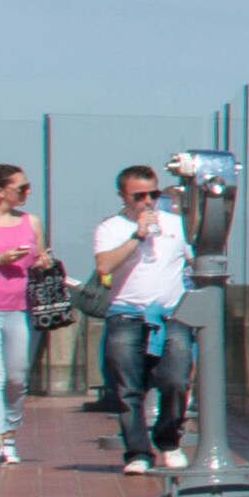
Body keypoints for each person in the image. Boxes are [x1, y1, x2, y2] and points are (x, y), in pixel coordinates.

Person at [92, 166, 190, 469]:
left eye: (154, 194)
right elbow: (104, 266)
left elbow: (198, 259)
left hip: (170, 316)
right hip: (126, 316)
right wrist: (138, 236)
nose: (148, 202)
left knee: (176, 380)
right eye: (139, 196)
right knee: (127, 389)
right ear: (123, 196)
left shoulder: (177, 224)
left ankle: (169, 440)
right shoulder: (110, 228)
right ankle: (137, 452)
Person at [0, 166, 50, 465]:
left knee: (16, 376)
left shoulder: (30, 222)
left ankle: (10, 432)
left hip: (19, 309)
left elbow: (40, 259)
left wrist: (43, 260)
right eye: (21, 188)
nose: (28, 193)